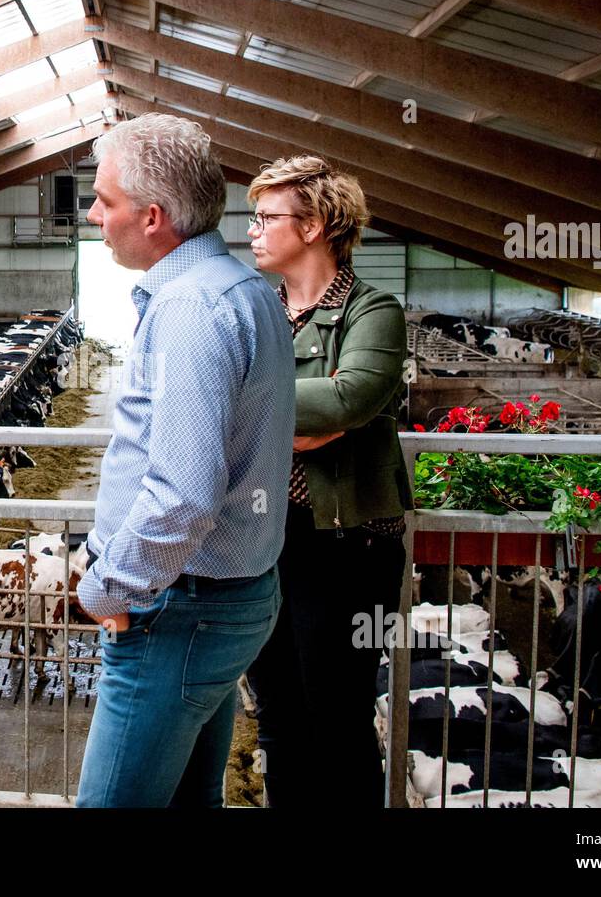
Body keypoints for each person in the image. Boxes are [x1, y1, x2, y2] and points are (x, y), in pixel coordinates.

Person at [75, 113, 295, 807]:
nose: (93, 215)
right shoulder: (243, 289)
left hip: (177, 610)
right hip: (222, 599)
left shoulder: (191, 308)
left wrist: (108, 585)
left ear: (153, 216)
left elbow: (180, 493)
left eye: (105, 202)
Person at [242, 154, 411, 807]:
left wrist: (253, 403)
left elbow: (347, 403)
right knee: (279, 719)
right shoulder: (258, 309)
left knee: (337, 720)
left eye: (267, 218)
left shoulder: (374, 312)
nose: (254, 230)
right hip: (265, 541)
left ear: (314, 226)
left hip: (345, 546)